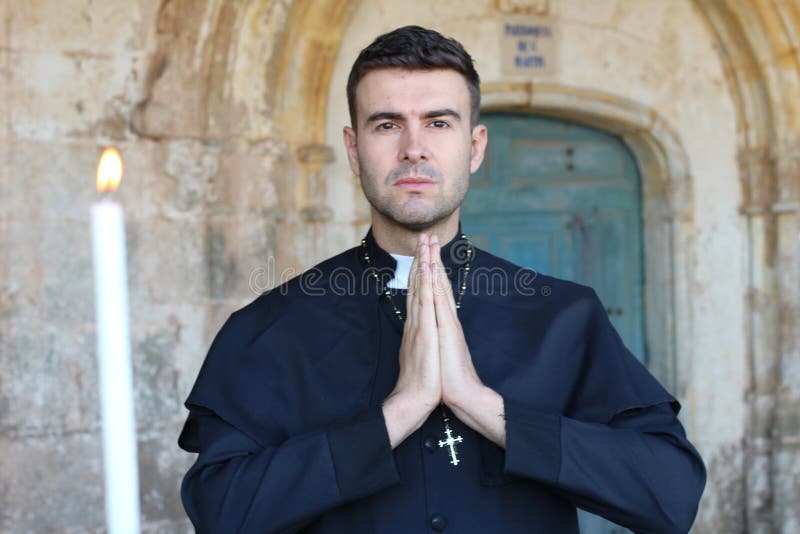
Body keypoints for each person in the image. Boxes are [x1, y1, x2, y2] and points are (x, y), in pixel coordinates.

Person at [178, 25, 706, 533]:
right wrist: (397, 414)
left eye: (438, 122)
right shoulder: (273, 326)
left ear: (474, 147)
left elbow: (670, 493)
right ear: (353, 148)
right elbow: (222, 513)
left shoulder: (562, 316)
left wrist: (485, 407)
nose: (413, 148)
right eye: (387, 124)